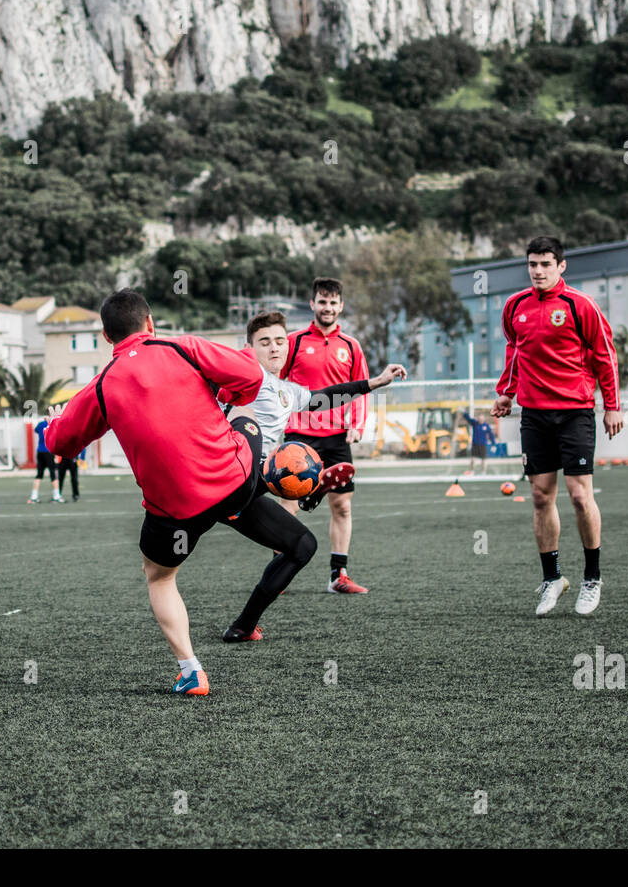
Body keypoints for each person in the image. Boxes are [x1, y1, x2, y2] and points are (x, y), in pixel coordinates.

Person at [44, 290, 317, 695]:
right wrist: (223, 395)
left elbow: (60, 446)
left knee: (159, 578)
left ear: (105, 336)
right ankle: (274, 478)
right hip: (233, 483)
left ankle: (191, 670)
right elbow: (252, 378)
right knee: (245, 413)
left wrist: (55, 423)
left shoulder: (100, 388)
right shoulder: (182, 346)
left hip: (176, 511)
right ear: (150, 323)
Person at [492, 235, 622, 617]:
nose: (538, 271)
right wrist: (506, 393)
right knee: (540, 496)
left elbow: (605, 356)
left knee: (580, 496)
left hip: (575, 411)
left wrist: (611, 406)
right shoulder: (514, 306)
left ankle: (592, 578)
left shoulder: (580, 305)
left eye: (546, 264)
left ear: (561, 266)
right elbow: (515, 352)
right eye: (533, 264)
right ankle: (553, 578)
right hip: (534, 414)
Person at [239, 310, 405, 510]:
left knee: (303, 541)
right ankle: (308, 486)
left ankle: (309, 488)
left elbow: (325, 397)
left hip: (247, 483)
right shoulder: (234, 377)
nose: (274, 349)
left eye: (280, 342)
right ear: (248, 348)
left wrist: (377, 382)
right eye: (265, 343)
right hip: (217, 478)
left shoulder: (288, 393)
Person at [279, 278, 371, 593]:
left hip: (336, 437)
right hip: (298, 433)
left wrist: (357, 424)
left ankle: (338, 576)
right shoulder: (293, 341)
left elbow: (362, 388)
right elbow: (276, 383)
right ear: (313, 303)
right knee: (288, 505)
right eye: (322, 301)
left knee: (342, 506)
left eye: (333, 303)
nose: (327, 307)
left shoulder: (351, 346)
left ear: (340, 306)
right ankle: (278, 576)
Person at [29, 416, 61, 503]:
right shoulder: (53, 424)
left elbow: (35, 430)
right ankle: (56, 496)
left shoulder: (41, 424)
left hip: (40, 452)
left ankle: (34, 497)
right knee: (54, 474)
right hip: (49, 451)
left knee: (39, 475)